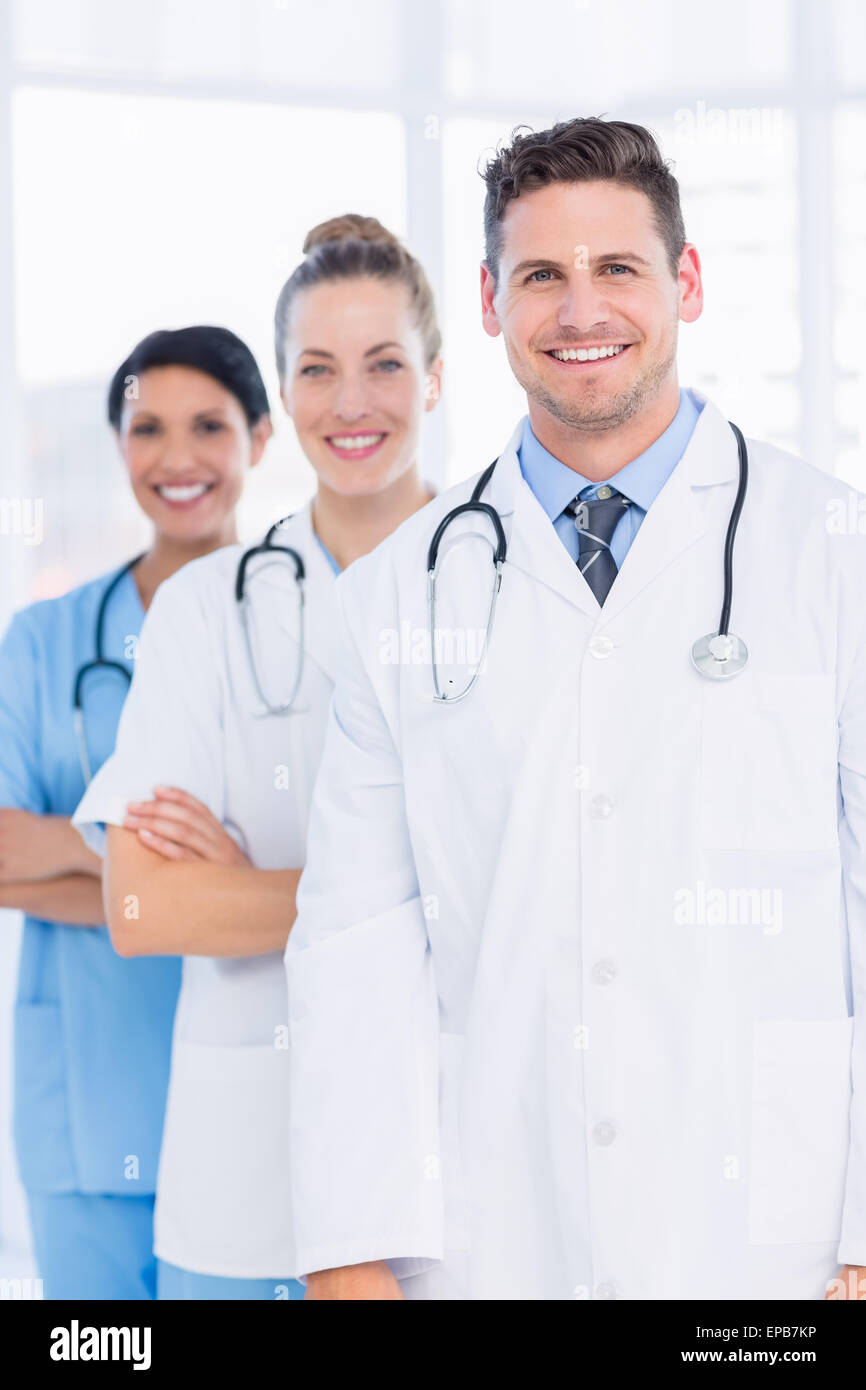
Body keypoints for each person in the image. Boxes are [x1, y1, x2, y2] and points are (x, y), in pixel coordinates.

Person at [284, 117, 866, 1301]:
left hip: (773, 1245)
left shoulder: (830, 550)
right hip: (493, 1235)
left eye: (617, 268)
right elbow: (354, 943)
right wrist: (347, 1254)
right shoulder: (395, 590)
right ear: (492, 302)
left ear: (684, 283)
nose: (579, 310)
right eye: (541, 275)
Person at [72, 214, 443, 1300]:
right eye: (317, 369)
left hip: (453, 1186)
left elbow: (553, 898)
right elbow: (142, 910)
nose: (352, 401)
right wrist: (421, 905)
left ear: (436, 378)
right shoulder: (204, 611)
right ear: (283, 397)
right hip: (244, 1197)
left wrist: (240, 887)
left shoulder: (507, 590)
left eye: (385, 363)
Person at [0, 325, 273, 1299]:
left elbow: (331, 868)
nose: (177, 457)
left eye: (209, 424)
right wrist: (149, 865)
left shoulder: (301, 627)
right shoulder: (45, 639)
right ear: (117, 446)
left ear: (260, 437)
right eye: (146, 427)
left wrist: (72, 856)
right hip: (87, 1102)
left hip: (257, 1094)